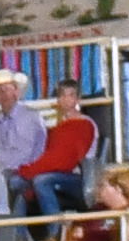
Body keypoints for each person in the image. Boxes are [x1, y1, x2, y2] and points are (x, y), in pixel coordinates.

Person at [18, 83, 101, 223]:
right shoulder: (57, 126)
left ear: (78, 99)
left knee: (41, 181)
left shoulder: (84, 124)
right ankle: (18, 233)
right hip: (59, 173)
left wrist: (30, 171)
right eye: (62, 95)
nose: (66, 99)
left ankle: (55, 229)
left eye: (71, 95)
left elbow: (65, 160)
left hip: (80, 177)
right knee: (17, 183)